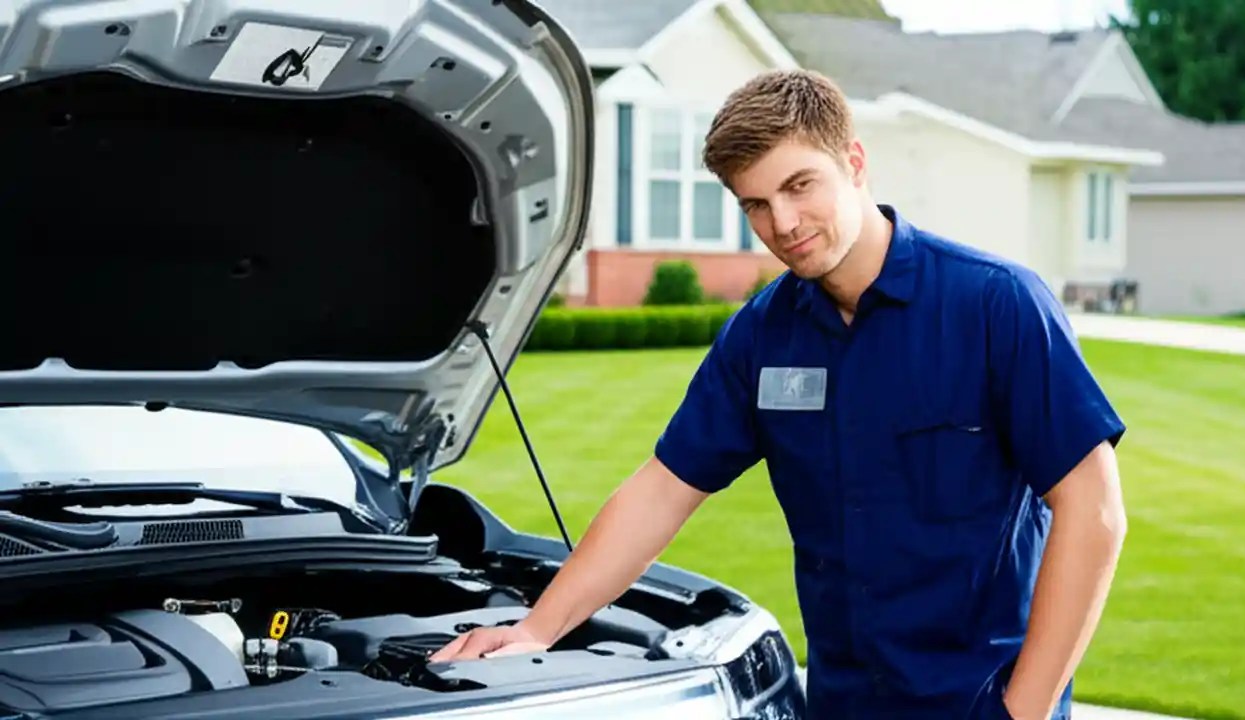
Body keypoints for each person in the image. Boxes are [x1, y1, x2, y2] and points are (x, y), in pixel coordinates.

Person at [431, 69, 1128, 720]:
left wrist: (1024, 712)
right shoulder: (762, 336)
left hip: (980, 700)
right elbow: (662, 490)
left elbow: (1093, 514)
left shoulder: (996, 306)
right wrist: (536, 629)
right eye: (756, 204)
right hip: (839, 700)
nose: (784, 224)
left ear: (854, 163)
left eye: (801, 186)